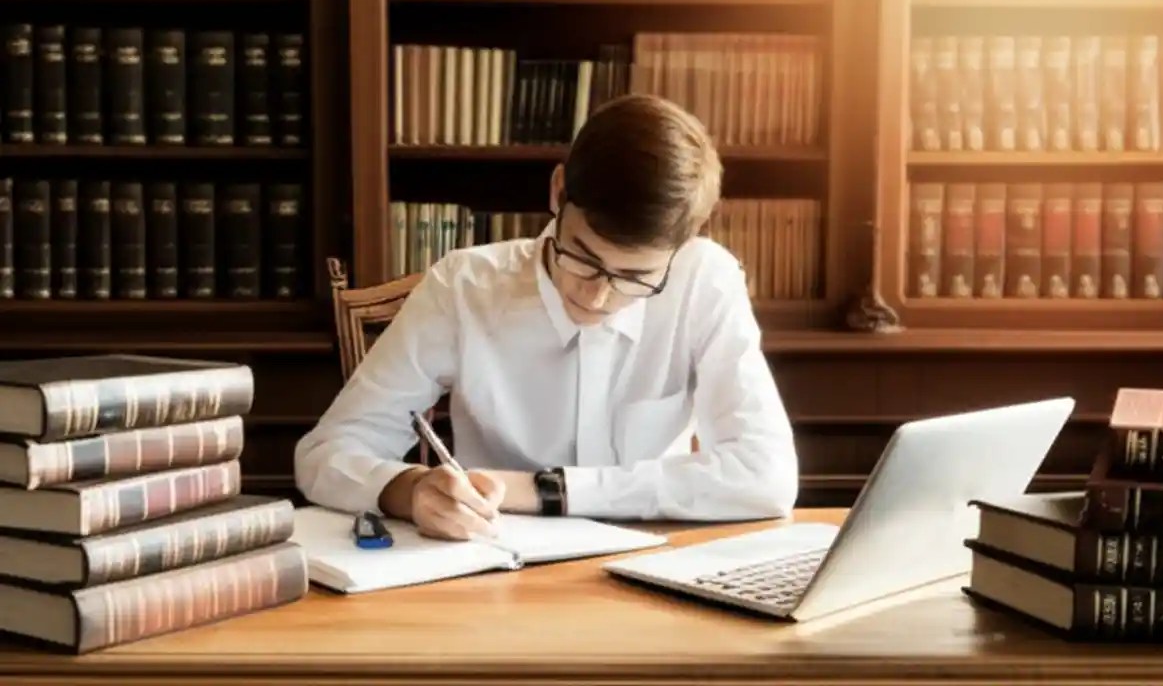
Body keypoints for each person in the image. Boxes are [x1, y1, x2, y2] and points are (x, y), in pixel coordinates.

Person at [294, 94, 798, 542]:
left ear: (683, 244)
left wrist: (543, 491)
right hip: (496, 569)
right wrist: (410, 489)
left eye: (635, 277)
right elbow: (325, 453)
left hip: (656, 568)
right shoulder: (464, 286)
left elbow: (767, 476)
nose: (599, 296)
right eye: (583, 257)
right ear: (558, 192)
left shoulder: (704, 279)